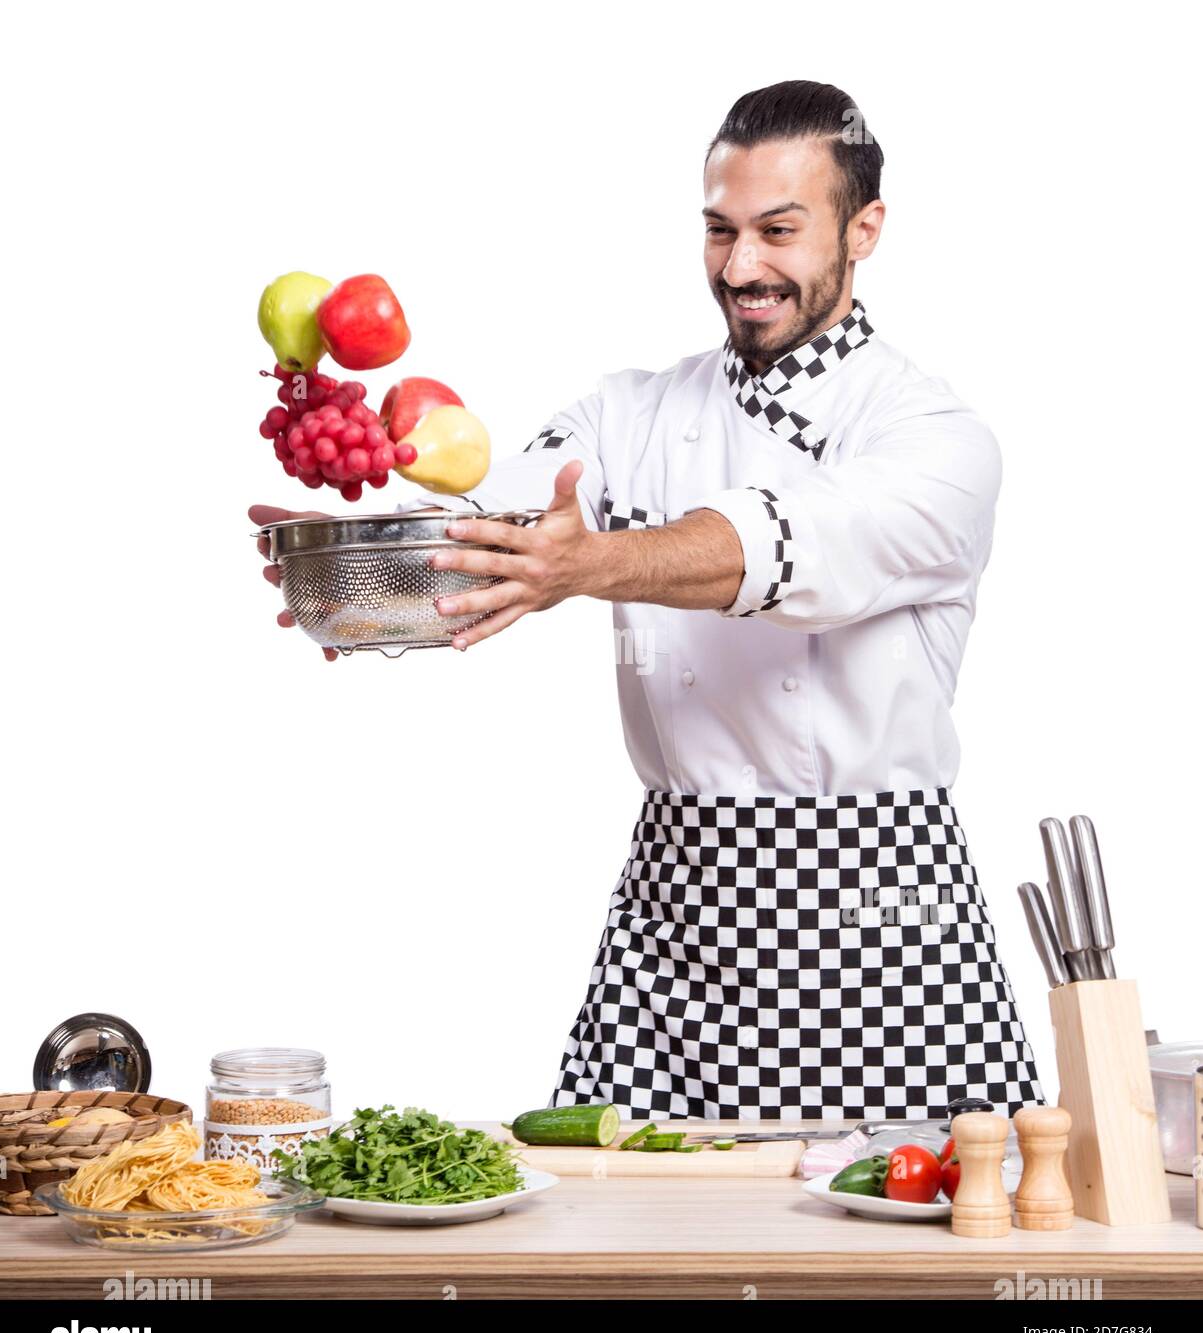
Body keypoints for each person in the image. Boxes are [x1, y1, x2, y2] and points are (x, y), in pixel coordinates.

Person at [253, 79, 1043, 1120]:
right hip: (682, 910)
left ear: (865, 230)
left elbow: (777, 546)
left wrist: (585, 565)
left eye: (777, 231)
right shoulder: (631, 413)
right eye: (719, 231)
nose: (741, 266)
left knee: (910, 1242)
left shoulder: (937, 438)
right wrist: (355, 556)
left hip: (883, 915)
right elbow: (501, 522)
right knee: (628, 1242)